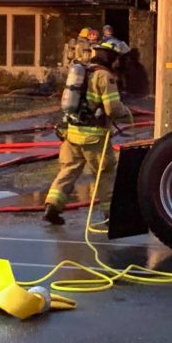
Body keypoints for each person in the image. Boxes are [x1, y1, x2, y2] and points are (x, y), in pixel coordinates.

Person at [44, 39, 132, 225]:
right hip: (94, 136)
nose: (119, 62)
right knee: (104, 173)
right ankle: (110, 214)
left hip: (73, 132)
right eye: (118, 58)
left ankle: (52, 205)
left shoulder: (83, 71)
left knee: (68, 170)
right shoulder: (104, 76)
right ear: (111, 57)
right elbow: (113, 109)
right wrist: (127, 113)